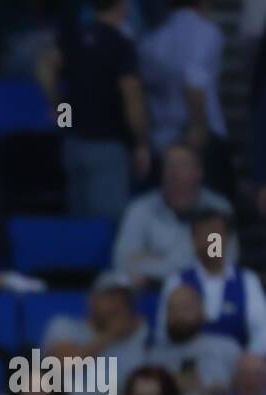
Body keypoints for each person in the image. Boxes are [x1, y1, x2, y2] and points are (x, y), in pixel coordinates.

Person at [40, 0, 150, 220]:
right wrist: (141, 143)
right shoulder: (121, 44)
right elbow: (132, 99)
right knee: (107, 225)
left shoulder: (73, 37)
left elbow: (44, 66)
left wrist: (58, 106)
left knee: (79, 223)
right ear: (121, 5)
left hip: (73, 144)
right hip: (108, 146)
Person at [139, 0, 229, 194]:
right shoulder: (206, 32)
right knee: (212, 209)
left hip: (162, 139)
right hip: (200, 137)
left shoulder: (154, 39)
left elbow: (144, 92)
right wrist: (198, 127)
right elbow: (193, 80)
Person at [112, 143, 230, 286]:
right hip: (151, 291)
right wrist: (191, 260)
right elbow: (123, 261)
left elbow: (216, 261)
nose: (174, 173)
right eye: (169, 166)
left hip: (201, 292)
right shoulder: (141, 209)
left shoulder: (216, 212)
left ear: (199, 172)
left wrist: (154, 262)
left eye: (183, 165)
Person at [43, 272, 151, 395]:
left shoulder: (135, 340)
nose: (118, 306)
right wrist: (110, 336)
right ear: (91, 300)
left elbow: (138, 391)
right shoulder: (65, 327)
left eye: (124, 301)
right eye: (111, 298)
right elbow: (65, 364)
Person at [157, 210, 266, 355]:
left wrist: (247, 363)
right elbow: (163, 334)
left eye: (216, 234)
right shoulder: (177, 281)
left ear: (226, 238)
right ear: (194, 239)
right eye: (206, 234)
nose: (212, 241)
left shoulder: (247, 280)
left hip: (236, 365)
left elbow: (262, 331)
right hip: (187, 360)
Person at [145, 283, 243, 395]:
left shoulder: (228, 348)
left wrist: (222, 390)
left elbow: (249, 391)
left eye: (185, 308)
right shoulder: (154, 356)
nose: (178, 315)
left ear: (202, 310)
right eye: (172, 309)